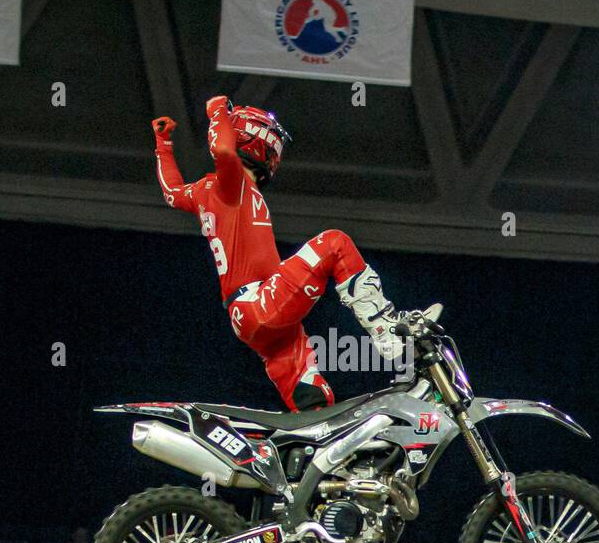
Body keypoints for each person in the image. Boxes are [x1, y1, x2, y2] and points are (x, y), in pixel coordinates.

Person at [151, 97, 437, 411]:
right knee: (334, 243)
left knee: (311, 403)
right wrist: (218, 110)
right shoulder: (231, 185)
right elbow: (222, 151)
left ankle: (313, 451)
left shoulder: (208, 191)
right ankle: (388, 332)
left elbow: (172, 193)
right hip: (259, 301)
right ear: (256, 138)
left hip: (249, 315)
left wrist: (163, 145)